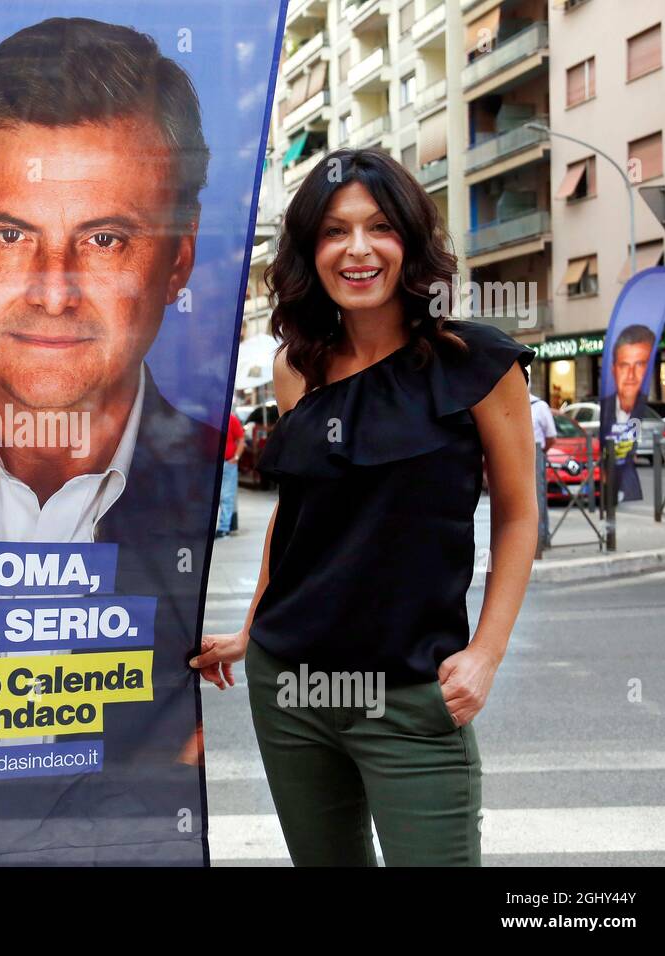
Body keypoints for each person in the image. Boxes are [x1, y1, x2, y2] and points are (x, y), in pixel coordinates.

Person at [0, 17, 217, 866]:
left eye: (105, 239)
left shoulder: (204, 472)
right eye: (10, 234)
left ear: (178, 261)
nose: (52, 291)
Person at [190, 148, 537, 866]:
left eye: (378, 227)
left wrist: (485, 655)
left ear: (407, 240)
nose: (357, 249)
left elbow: (516, 514)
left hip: (412, 693)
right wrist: (255, 628)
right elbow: (300, 522)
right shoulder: (297, 368)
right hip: (289, 686)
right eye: (333, 231)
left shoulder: (476, 363)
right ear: (309, 251)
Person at [599, 323, 656, 501]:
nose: (631, 375)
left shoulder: (640, 408)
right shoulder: (605, 408)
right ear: (613, 369)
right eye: (624, 365)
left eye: (639, 365)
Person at [530, 392, 557, 550]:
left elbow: (551, 437)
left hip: (536, 456)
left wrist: (541, 452)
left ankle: (541, 540)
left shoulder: (540, 406)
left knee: (538, 497)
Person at [216, 409, 245, 537]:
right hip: (213, 463)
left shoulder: (231, 419)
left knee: (226, 496)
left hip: (228, 462)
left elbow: (241, 440)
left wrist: (236, 457)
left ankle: (224, 528)